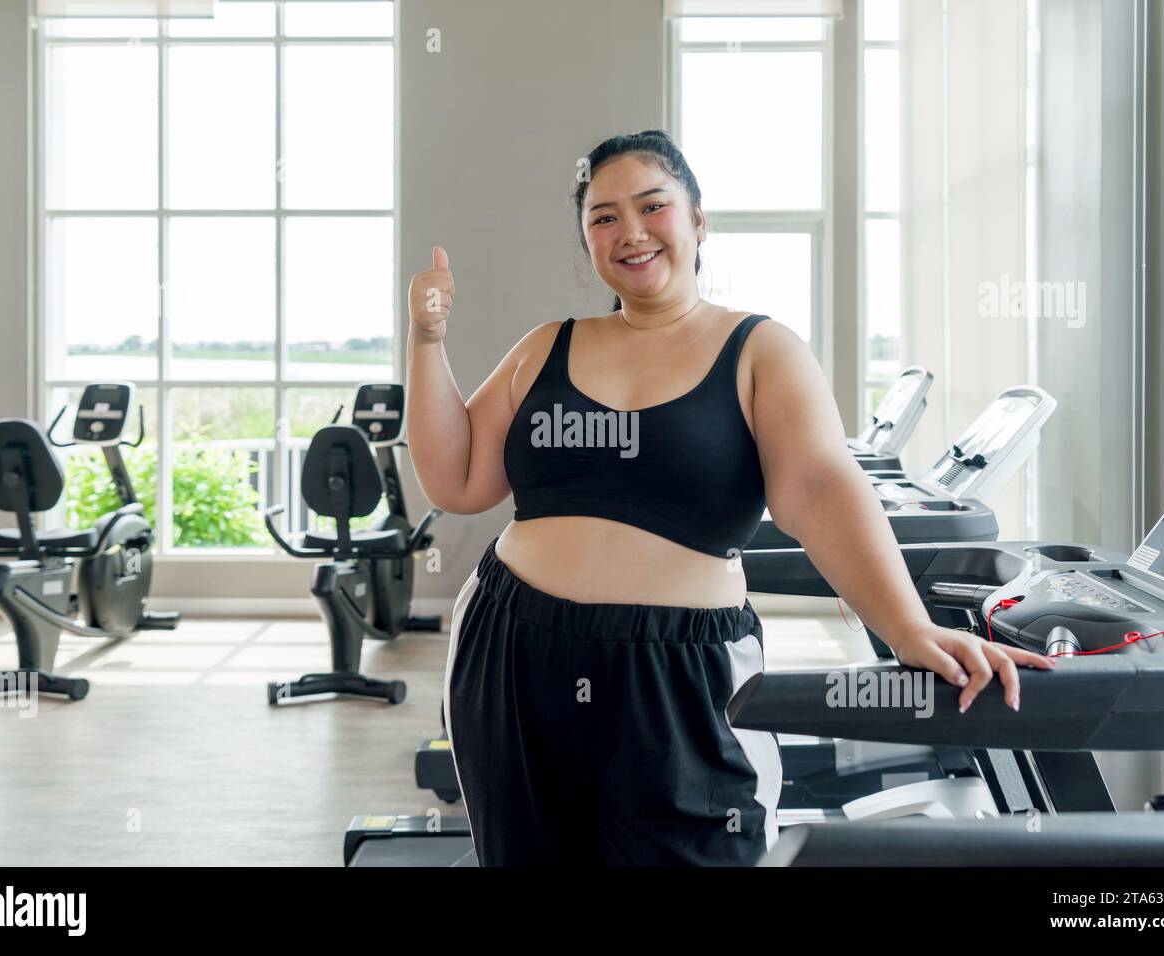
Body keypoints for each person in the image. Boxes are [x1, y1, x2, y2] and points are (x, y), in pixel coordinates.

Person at [405, 129, 1052, 866]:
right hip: (514, 642)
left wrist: (908, 629)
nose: (631, 232)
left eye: (653, 206)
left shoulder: (759, 350)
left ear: (698, 219)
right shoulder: (545, 346)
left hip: (677, 672)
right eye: (604, 217)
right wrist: (427, 341)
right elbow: (457, 480)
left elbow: (818, 488)